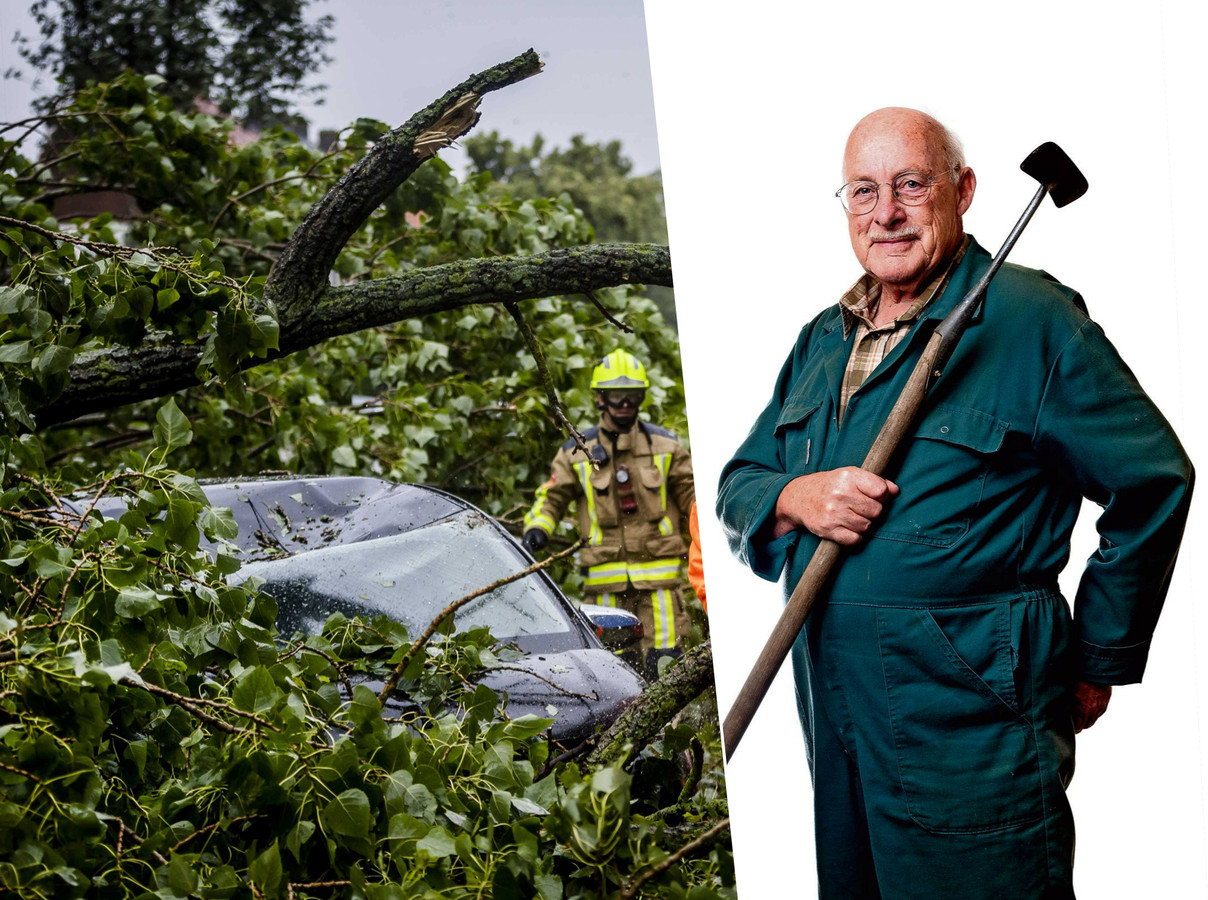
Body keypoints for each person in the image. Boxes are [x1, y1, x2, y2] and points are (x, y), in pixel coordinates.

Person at [716, 107, 1194, 899]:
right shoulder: (821, 340)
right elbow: (739, 486)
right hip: (836, 721)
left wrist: (1099, 653)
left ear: (963, 190)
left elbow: (1152, 480)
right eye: (863, 191)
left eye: (910, 183)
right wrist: (799, 494)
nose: (887, 212)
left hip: (969, 726)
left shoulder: (1028, 319)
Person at [524, 349, 695, 681]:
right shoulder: (575, 451)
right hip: (604, 588)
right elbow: (551, 498)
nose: (625, 403)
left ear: (642, 397)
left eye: (632, 395)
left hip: (660, 583)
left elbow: (694, 501)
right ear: (601, 398)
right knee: (614, 671)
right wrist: (538, 528)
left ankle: (671, 732)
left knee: (666, 667)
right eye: (617, 395)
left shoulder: (667, 447)